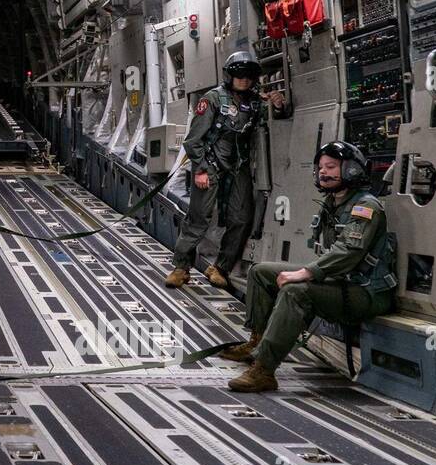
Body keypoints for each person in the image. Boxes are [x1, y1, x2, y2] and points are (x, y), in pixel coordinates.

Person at [221, 141, 398, 393]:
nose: (323, 172)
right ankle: (256, 343)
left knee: (296, 291)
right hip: (339, 282)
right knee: (260, 272)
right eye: (320, 167)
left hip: (366, 292)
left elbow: (348, 251)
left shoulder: (365, 207)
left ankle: (264, 370)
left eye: (331, 167)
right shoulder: (333, 203)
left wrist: (306, 273)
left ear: (351, 169)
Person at [165, 51, 288, 290]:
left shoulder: (254, 103)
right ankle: (181, 267)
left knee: (241, 219)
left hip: (238, 168)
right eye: (239, 75)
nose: (244, 80)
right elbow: (193, 141)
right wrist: (200, 169)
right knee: (199, 218)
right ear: (230, 75)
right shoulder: (212, 99)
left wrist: (278, 105)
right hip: (210, 165)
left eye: (249, 76)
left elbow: (272, 118)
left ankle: (220, 267)